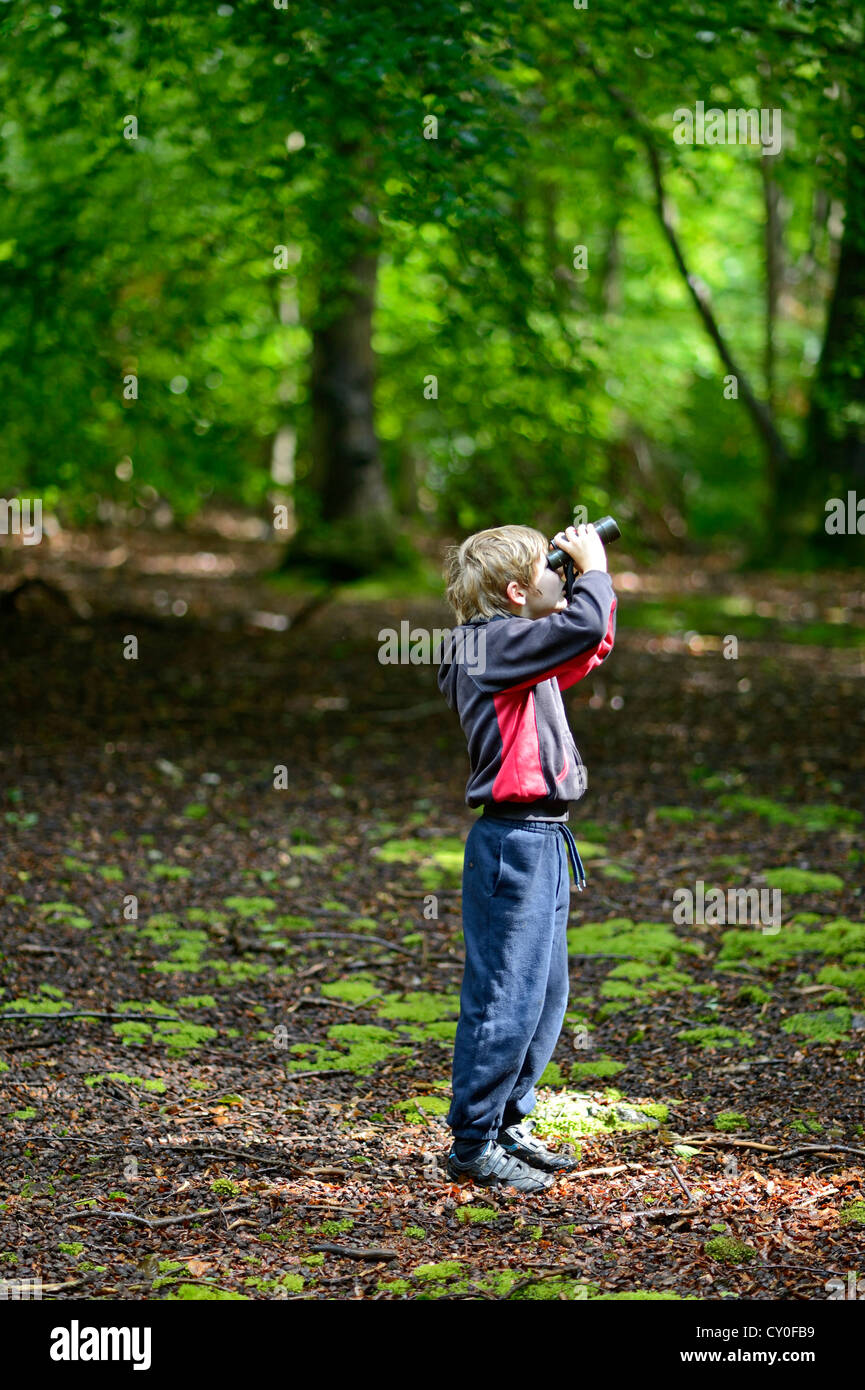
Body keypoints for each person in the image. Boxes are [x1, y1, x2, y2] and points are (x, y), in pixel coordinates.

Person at [436, 522, 617, 1193]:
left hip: (540, 838)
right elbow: (577, 627)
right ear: (515, 593)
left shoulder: (513, 646)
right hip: (511, 841)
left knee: (543, 993)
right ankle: (472, 1142)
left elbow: (589, 641)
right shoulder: (489, 646)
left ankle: (508, 1122)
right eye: (550, 569)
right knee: (503, 996)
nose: (562, 576)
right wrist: (592, 566)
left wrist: (583, 580)